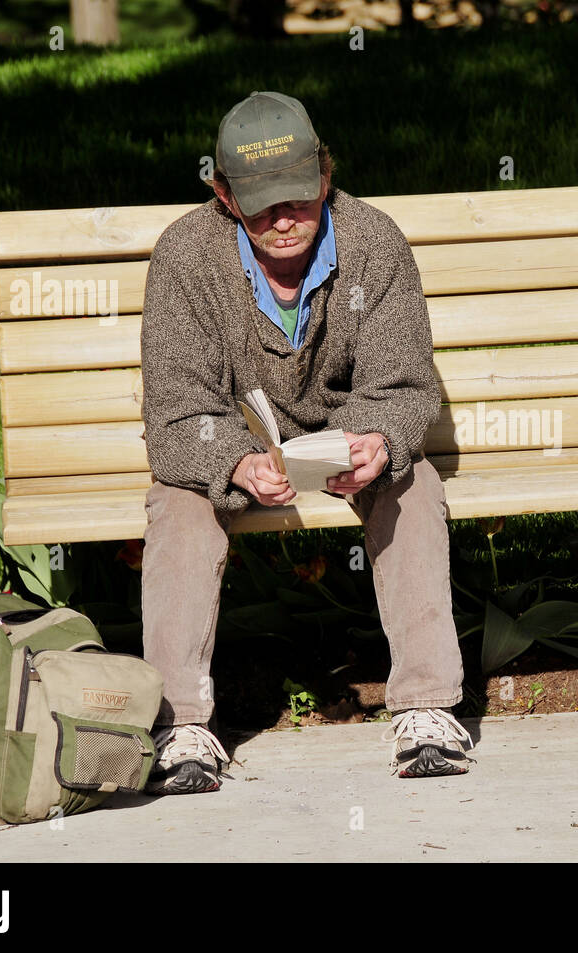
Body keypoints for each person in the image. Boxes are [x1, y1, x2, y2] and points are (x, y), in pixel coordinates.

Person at [138, 91, 472, 793]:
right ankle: (181, 725)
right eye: (261, 204)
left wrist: (380, 440)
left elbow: (406, 386)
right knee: (179, 501)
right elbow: (176, 414)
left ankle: (427, 709)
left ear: (324, 175)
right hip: (237, 442)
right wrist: (231, 458)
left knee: (414, 481)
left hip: (349, 434)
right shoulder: (184, 257)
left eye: (298, 196)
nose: (284, 220)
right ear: (224, 194)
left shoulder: (373, 240)